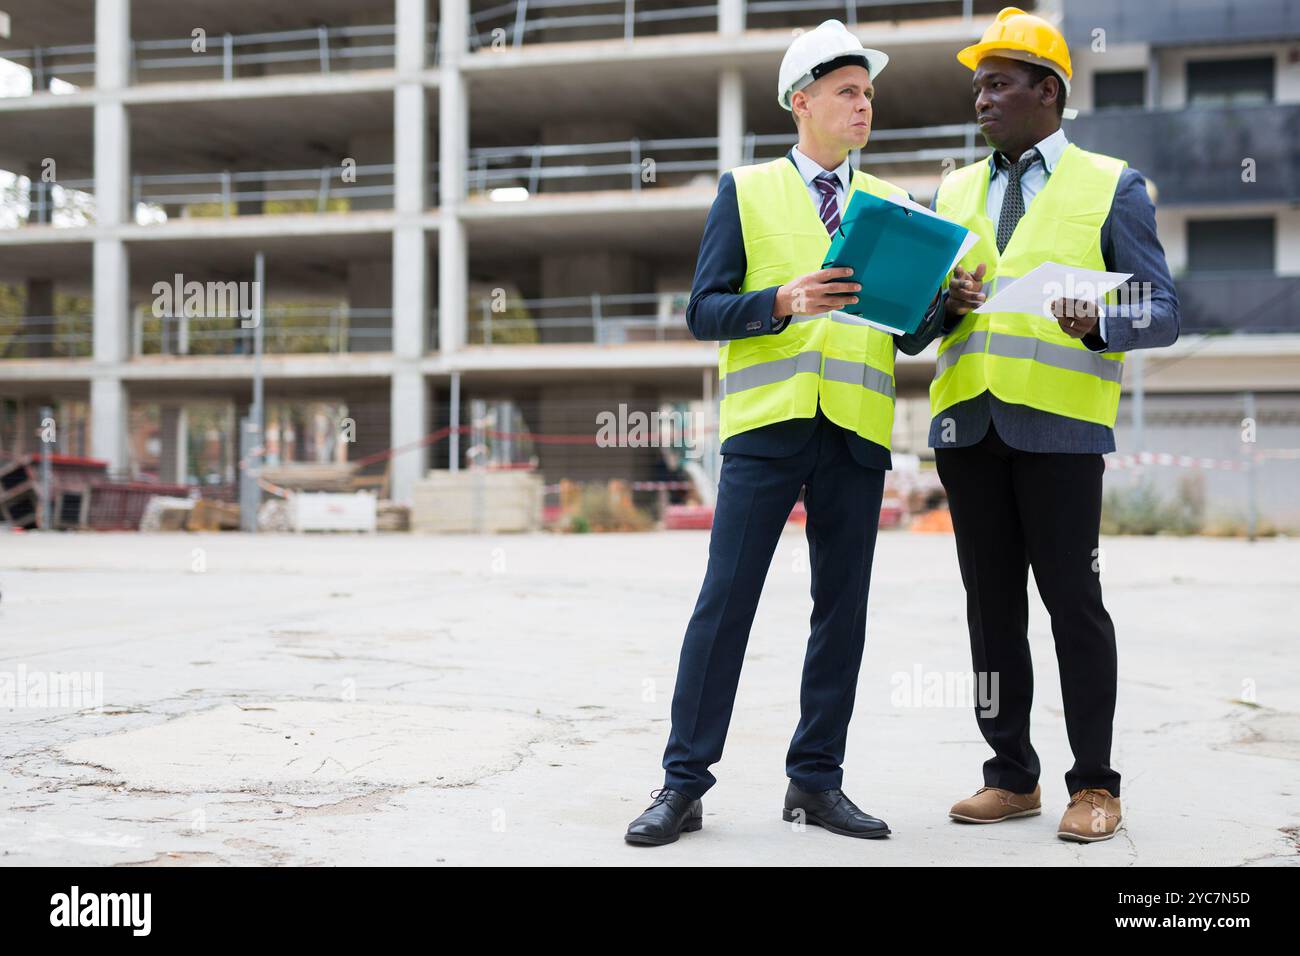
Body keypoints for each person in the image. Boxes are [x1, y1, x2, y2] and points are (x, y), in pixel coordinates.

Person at [624, 19, 945, 846]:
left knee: (841, 612)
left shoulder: (895, 206)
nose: (862, 104)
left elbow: (906, 334)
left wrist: (949, 303)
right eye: (847, 92)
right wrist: (780, 303)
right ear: (801, 103)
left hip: (855, 434)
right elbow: (703, 311)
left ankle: (816, 784)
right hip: (767, 431)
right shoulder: (746, 189)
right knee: (724, 605)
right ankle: (682, 785)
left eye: (868, 93)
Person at [920, 7, 1179, 842]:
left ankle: (1095, 785)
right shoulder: (954, 191)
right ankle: (1011, 776)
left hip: (1062, 434)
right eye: (977, 87)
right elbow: (911, 324)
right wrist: (939, 303)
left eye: (997, 84)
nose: (982, 100)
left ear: (1048, 91)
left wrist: (1101, 322)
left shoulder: (1111, 184)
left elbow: (1162, 308)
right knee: (990, 609)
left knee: (1074, 604)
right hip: (969, 429)